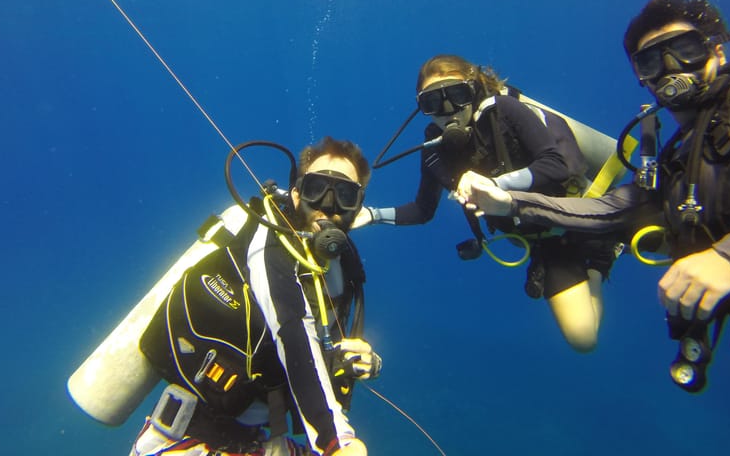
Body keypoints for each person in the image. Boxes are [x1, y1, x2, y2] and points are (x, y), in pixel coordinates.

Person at [456, 0, 730, 427]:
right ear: (641, 77)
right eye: (651, 62)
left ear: (717, 49)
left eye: (685, 50)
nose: (671, 70)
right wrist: (513, 202)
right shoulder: (681, 157)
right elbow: (612, 209)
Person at [355, 54, 623, 352]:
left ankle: (600, 249)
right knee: (583, 339)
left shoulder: (504, 111)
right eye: (432, 102)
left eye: (456, 95)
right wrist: (371, 214)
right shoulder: (434, 150)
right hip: (546, 239)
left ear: (473, 89)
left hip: (577, 211)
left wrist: (495, 184)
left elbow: (557, 164)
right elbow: (422, 210)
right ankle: (600, 262)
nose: (446, 111)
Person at [132, 137, 379, 456]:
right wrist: (337, 442)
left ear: (357, 206)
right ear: (295, 193)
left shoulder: (340, 269)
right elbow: (291, 328)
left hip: (257, 442)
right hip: (184, 441)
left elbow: (319, 355)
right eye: (316, 188)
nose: (327, 204)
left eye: (344, 194)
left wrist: (363, 360)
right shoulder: (269, 242)